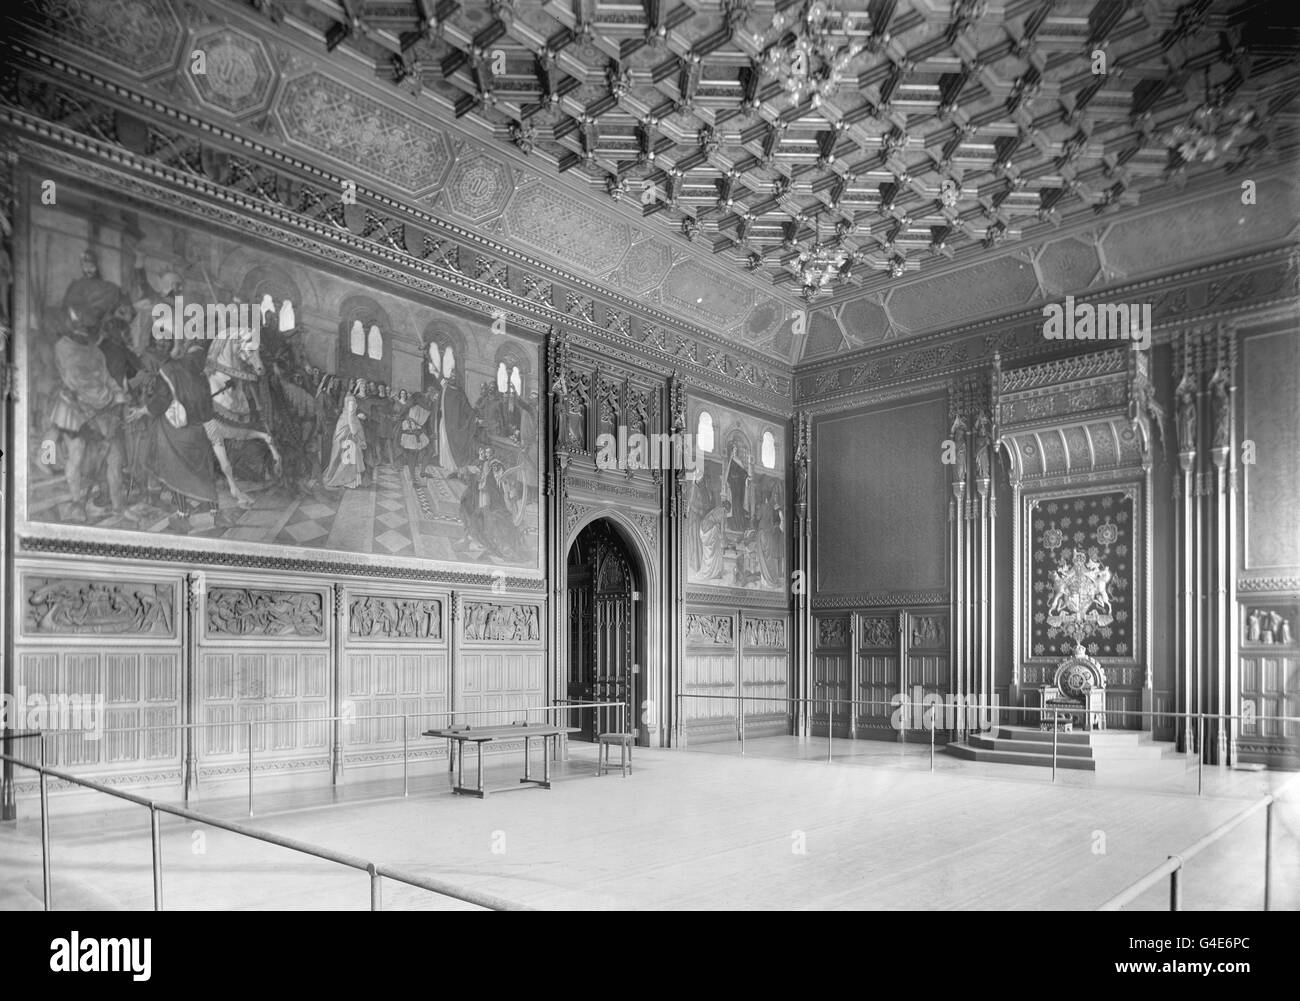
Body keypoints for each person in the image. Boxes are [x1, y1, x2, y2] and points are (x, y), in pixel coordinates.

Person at [130, 341, 220, 532]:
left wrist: (142, 410)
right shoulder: (202, 376)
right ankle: (216, 515)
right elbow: (207, 411)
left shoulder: (169, 369)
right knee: (205, 474)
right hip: (198, 432)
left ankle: (183, 517)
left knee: (176, 475)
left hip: (175, 434)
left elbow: (161, 401)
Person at [323, 393, 366, 489]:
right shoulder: (349, 415)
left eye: (353, 405)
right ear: (347, 405)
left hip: (347, 438)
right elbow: (352, 426)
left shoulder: (345, 415)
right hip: (346, 438)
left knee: (349, 458)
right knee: (347, 459)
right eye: (351, 405)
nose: (352, 407)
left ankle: (351, 481)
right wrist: (355, 433)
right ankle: (346, 481)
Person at [399, 391, 432, 483]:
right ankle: (412, 477)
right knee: (412, 456)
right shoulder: (411, 408)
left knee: (430, 450)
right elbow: (403, 419)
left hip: (418, 432)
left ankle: (422, 472)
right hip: (410, 433)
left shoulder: (424, 409)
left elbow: (424, 422)